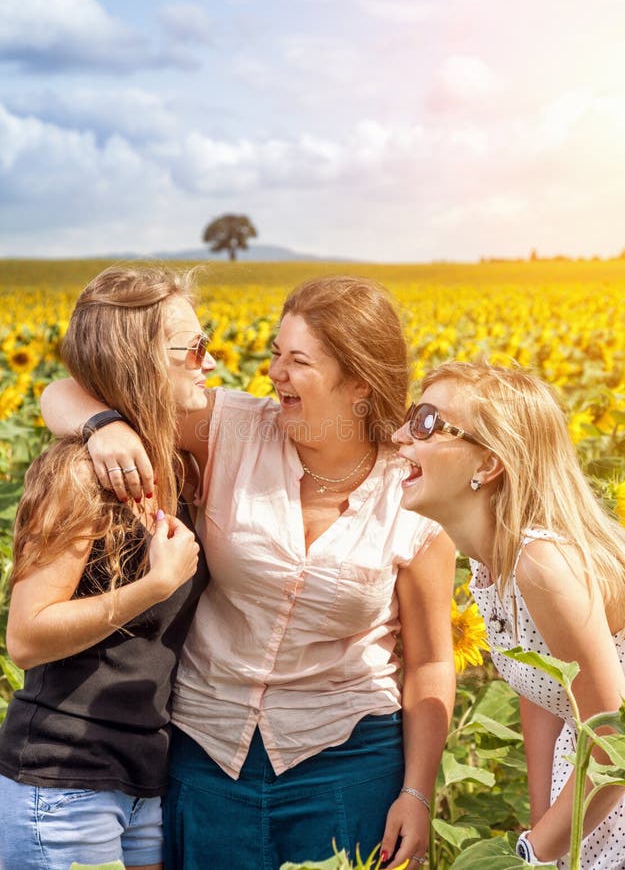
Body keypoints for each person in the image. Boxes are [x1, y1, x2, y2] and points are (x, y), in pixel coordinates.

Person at [40, 275, 457, 870]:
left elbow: (431, 662)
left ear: (360, 381)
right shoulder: (232, 429)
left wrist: (417, 793)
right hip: (206, 751)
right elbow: (61, 391)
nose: (274, 374)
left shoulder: (411, 493)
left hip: (346, 758)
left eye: (298, 361)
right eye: (274, 354)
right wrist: (102, 426)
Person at [0, 267, 214, 870]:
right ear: (141, 357)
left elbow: (56, 392)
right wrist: (155, 586)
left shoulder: (173, 460)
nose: (212, 360)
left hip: (140, 780)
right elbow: (25, 637)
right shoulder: (79, 475)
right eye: (194, 347)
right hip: (64, 780)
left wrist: (101, 419)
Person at [392, 360, 625, 869]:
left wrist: (532, 855)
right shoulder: (489, 560)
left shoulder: (543, 564)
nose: (398, 435)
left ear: (487, 465)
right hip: (592, 789)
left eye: (427, 422)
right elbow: (543, 689)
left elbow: (616, 746)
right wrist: (546, 834)